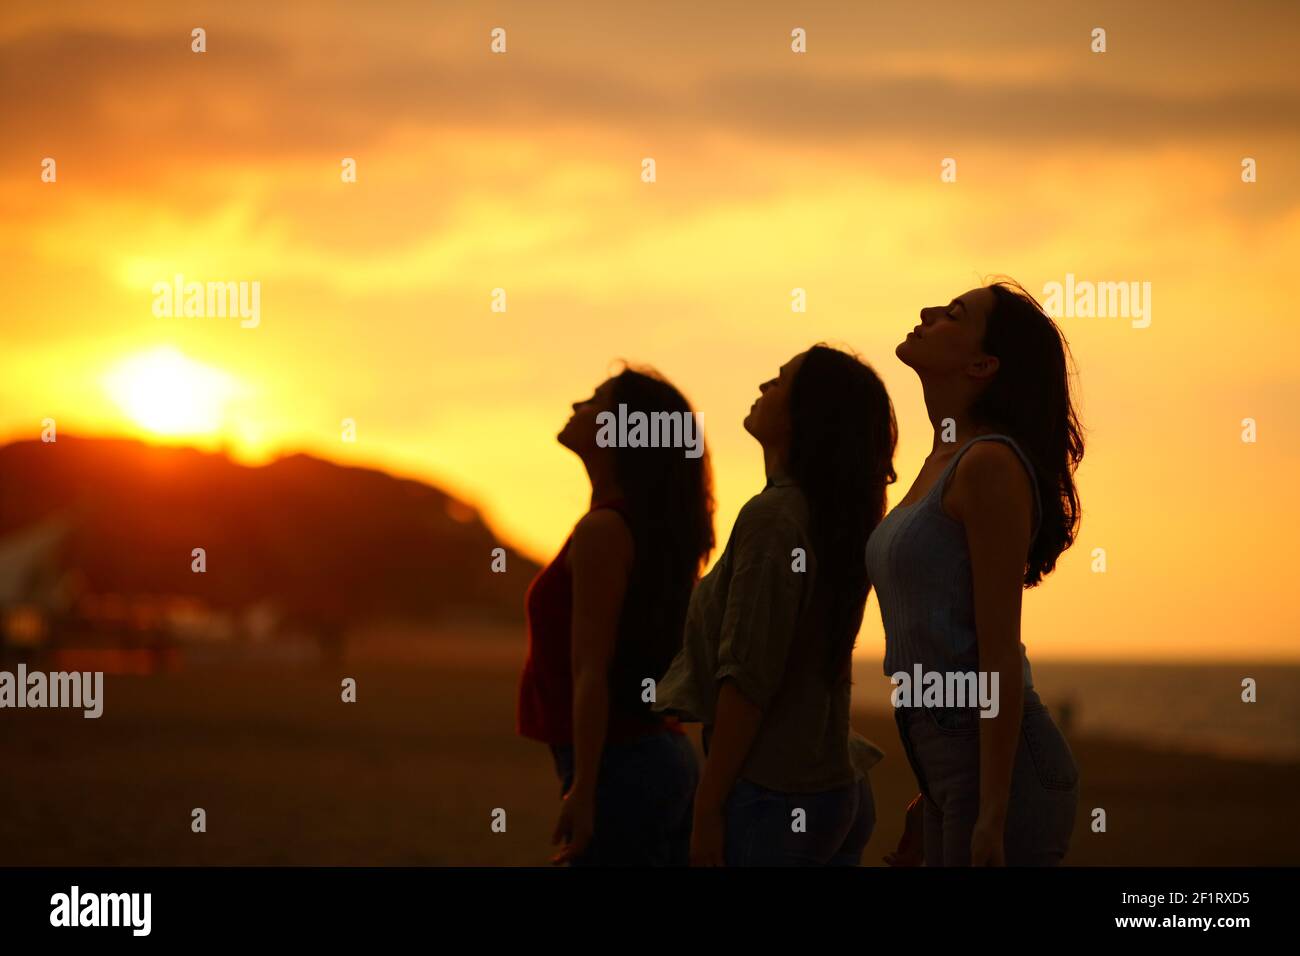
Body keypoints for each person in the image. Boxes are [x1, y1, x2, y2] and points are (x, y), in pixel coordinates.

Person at [655, 345, 897, 866]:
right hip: (835, 785)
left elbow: (747, 676)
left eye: (781, 380)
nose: (764, 385)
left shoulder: (775, 518)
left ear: (807, 414)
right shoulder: (832, 516)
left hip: (774, 794)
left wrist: (708, 804)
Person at [871, 280, 1083, 866]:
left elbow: (996, 653)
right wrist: (931, 793)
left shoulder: (988, 463)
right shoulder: (941, 459)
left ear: (982, 364)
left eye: (953, 314)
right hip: (946, 759)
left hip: (1002, 772)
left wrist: (993, 811)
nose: (926, 310)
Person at [517, 365, 714, 865]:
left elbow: (592, 669)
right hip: (654, 758)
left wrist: (585, 787)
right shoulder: (636, 525)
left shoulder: (605, 529)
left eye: (594, 400)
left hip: (621, 763)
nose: (576, 405)